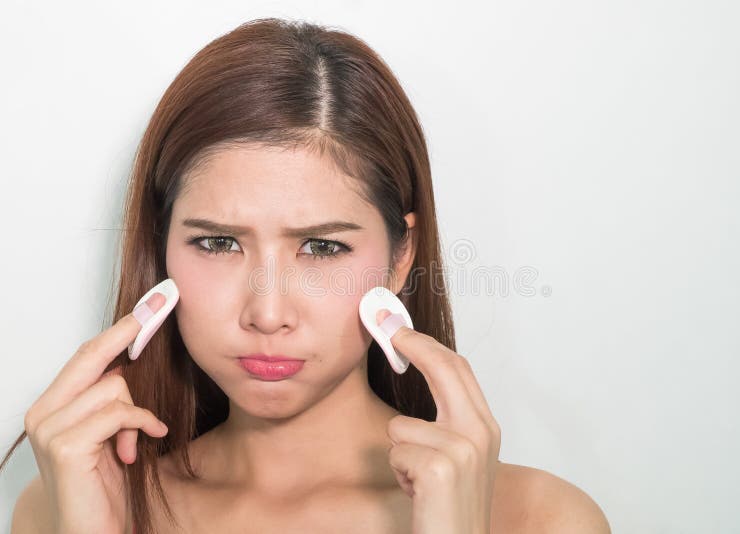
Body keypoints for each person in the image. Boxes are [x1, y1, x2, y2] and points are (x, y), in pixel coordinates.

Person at [3, 17, 611, 533]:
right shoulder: (64, 508)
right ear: (161, 249)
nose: (267, 314)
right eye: (217, 242)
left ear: (402, 257)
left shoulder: (539, 518)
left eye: (321, 247)